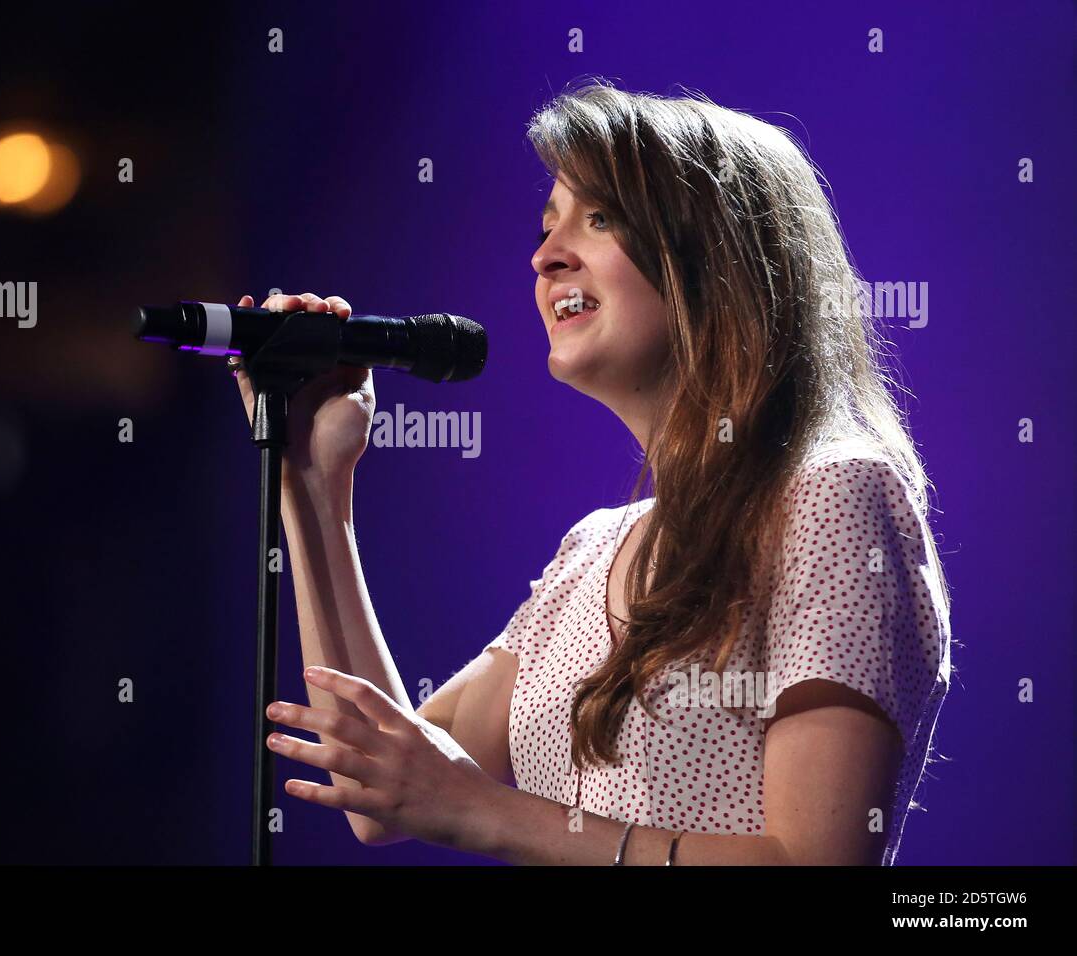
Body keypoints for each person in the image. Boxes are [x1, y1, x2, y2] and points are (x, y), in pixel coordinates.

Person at [227, 79, 952, 865]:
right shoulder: (593, 552)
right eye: (546, 227)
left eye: (599, 217)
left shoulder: (832, 494)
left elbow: (817, 861)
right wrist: (313, 478)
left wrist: (479, 809)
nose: (545, 255)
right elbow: (384, 785)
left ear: (719, 260)